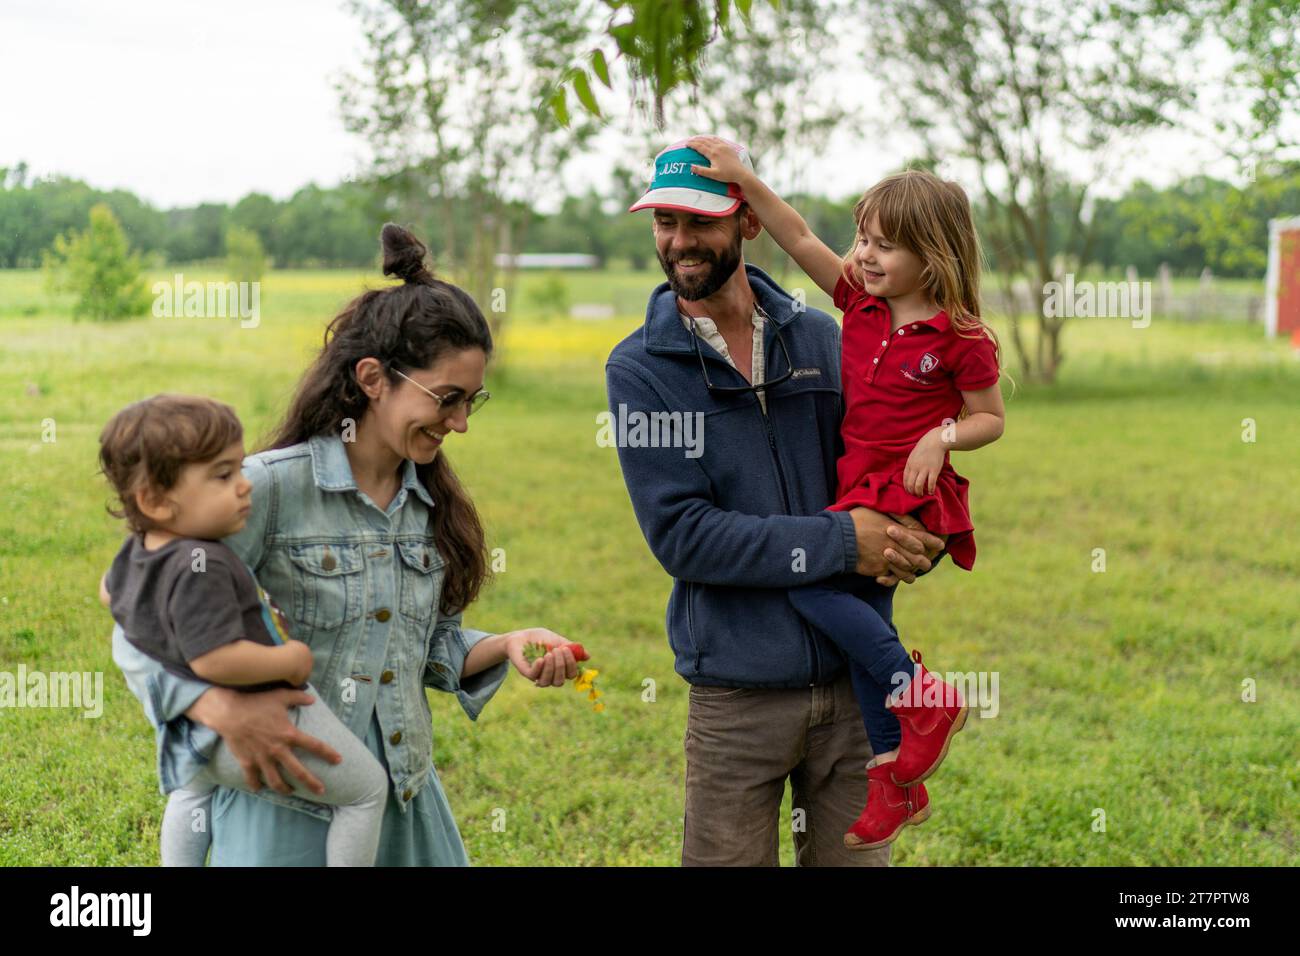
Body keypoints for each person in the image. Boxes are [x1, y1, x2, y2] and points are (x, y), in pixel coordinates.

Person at [106, 223, 583, 866]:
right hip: (284, 807)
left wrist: (507, 645)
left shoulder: (430, 507)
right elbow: (138, 620)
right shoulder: (264, 490)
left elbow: (422, 647)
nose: (461, 423)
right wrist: (213, 704)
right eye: (446, 399)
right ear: (372, 378)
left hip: (404, 805)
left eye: (473, 401)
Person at [607, 137, 948, 866]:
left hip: (856, 692)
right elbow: (684, 538)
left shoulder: (823, 339)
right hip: (737, 700)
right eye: (664, 222)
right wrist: (843, 543)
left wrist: (917, 532)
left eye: (699, 221)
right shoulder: (640, 370)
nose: (679, 241)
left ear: (748, 222)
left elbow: (886, 451)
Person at [687, 136, 1006, 849]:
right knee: (866, 634)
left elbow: (990, 418)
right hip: (858, 483)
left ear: (936, 254)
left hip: (908, 490)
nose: (865, 255)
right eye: (863, 238)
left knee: (812, 589)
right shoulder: (859, 305)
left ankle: (922, 698)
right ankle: (895, 777)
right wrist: (745, 177)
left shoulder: (960, 337)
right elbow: (796, 234)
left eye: (885, 245)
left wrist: (941, 436)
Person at [99, 394, 389, 866]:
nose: (243, 486)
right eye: (222, 475)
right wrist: (291, 659)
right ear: (154, 499)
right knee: (364, 792)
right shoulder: (203, 563)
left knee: (192, 796)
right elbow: (214, 659)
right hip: (260, 715)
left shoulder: (139, 550)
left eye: (239, 469)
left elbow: (110, 594)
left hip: (189, 731)